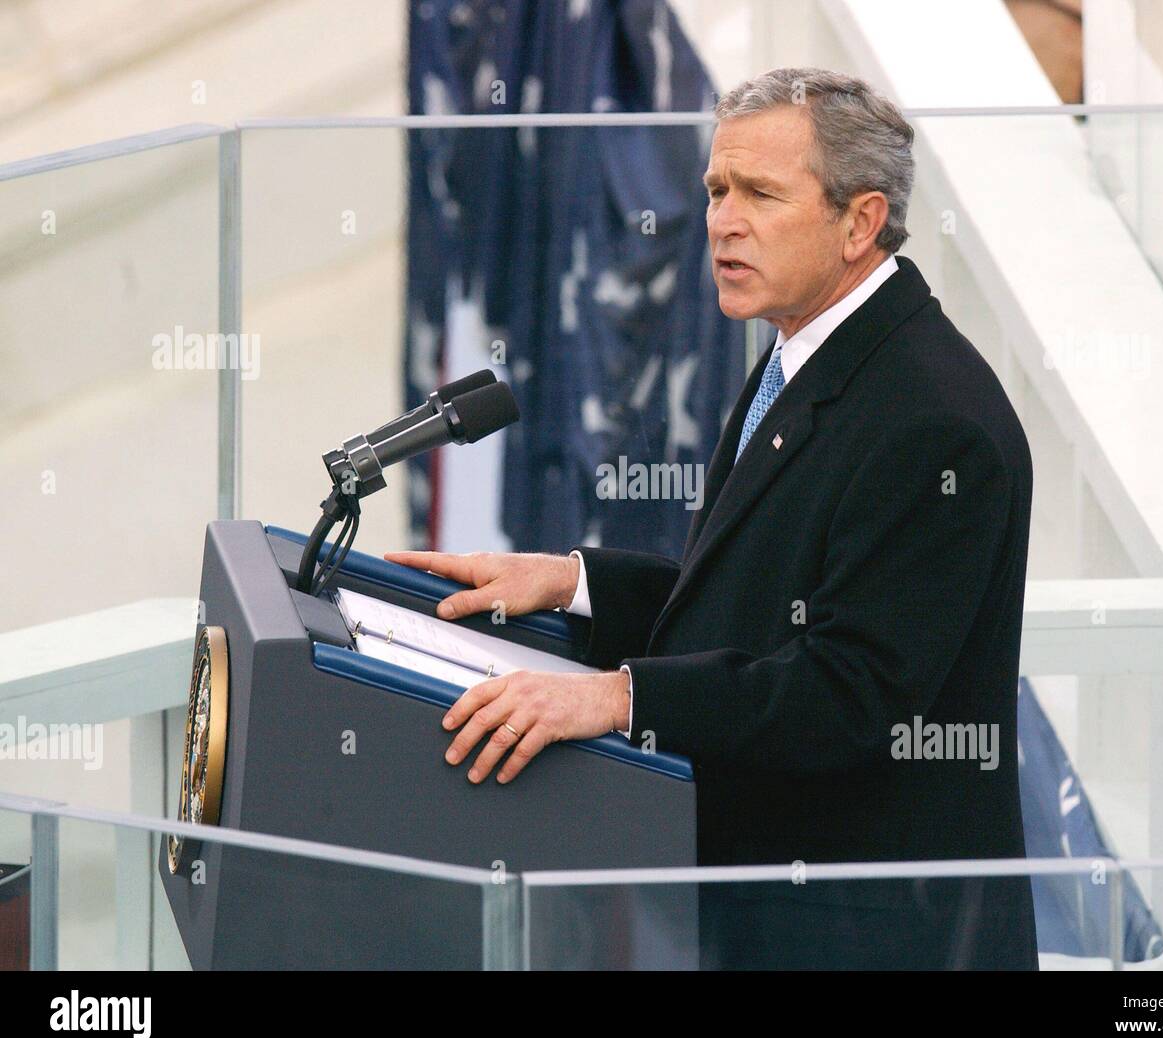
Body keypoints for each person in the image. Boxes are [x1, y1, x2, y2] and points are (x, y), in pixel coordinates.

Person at [387, 67, 1038, 970]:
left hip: (875, 940)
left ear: (861, 221)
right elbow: (759, 603)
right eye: (716, 191)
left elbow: (846, 695)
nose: (723, 221)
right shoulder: (806, 351)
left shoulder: (934, 420)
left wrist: (617, 697)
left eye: (761, 195)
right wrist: (572, 582)